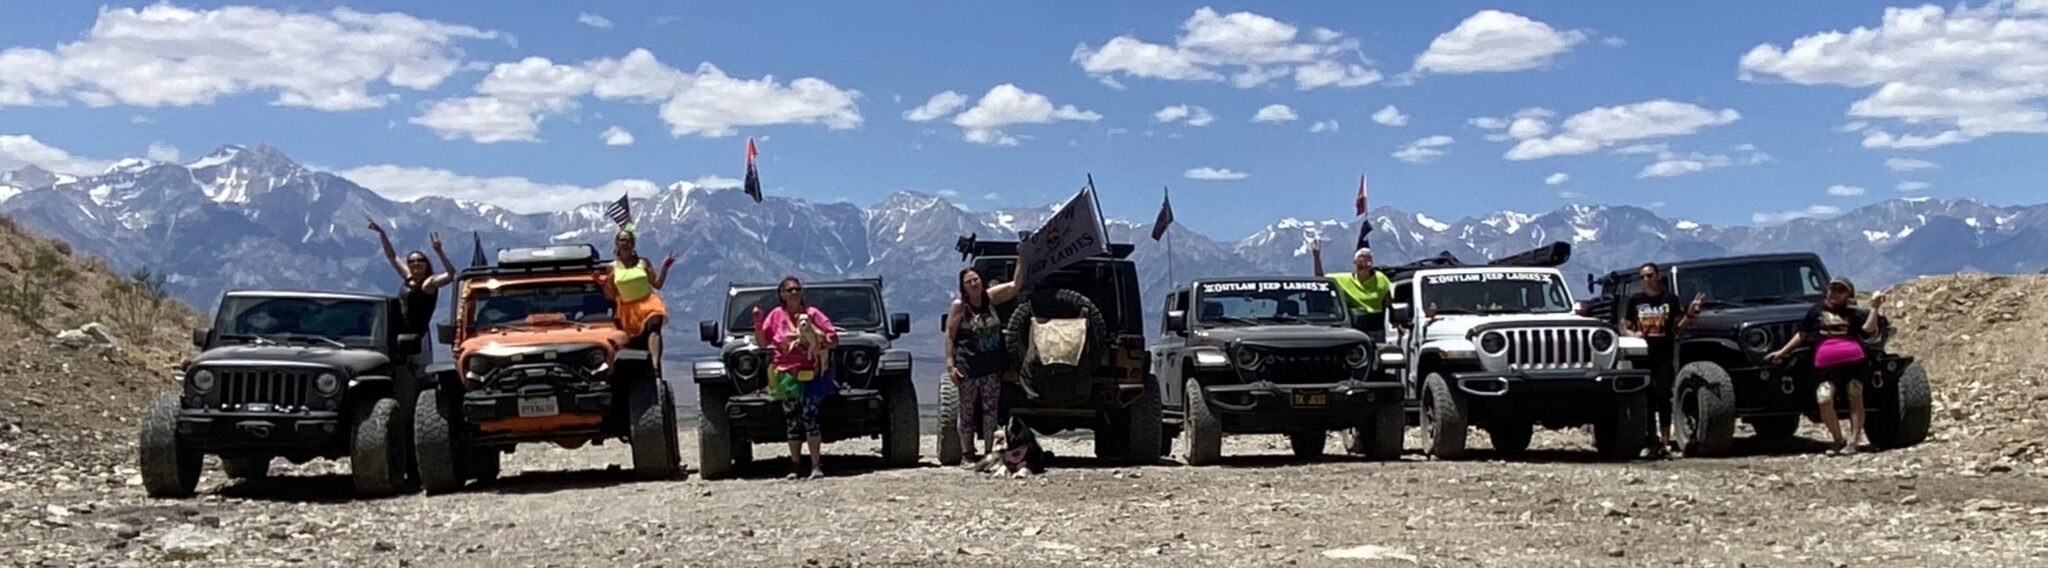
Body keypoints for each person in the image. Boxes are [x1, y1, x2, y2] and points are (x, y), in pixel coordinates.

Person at [1766, 277, 1886, 456]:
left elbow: (1868, 330)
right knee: (1824, 399)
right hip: (1825, 366)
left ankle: (1853, 441)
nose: (1834, 293)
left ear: (1848, 295)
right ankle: (1838, 439)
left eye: (1840, 291)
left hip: (1854, 363)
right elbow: (1802, 335)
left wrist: (1874, 307)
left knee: (1855, 396)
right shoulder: (1816, 311)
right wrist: (1782, 352)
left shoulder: (1853, 313)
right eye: (1832, 289)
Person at [754, 276, 838, 479]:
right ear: (782, 294)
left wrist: (819, 341)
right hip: (786, 375)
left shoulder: (813, 314)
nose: (794, 293)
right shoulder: (775, 316)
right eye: (790, 290)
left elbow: (833, 337)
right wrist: (758, 324)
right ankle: (795, 464)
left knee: (811, 417)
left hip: (811, 373)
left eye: (797, 289)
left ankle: (816, 464)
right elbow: (763, 344)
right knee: (792, 419)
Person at [1622, 262, 1705, 459]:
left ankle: (1666, 443)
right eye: (1642, 277)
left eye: (1649, 275)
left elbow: (1678, 327)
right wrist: (1632, 334)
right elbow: (1625, 326)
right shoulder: (1635, 300)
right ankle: (1650, 440)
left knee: (1663, 397)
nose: (1645, 280)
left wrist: (1691, 313)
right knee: (1646, 399)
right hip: (1642, 356)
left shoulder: (1669, 299)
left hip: (1664, 355)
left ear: (1658, 276)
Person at [944, 264, 1025, 464]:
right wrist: (950, 365)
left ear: (982, 280)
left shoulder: (990, 299)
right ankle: (967, 454)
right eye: (968, 282)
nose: (973, 283)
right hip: (967, 368)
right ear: (963, 287)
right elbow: (950, 335)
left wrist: (1022, 257)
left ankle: (989, 454)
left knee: (991, 413)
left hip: (991, 367)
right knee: (967, 412)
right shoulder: (959, 306)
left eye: (976, 279)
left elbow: (1014, 286)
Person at [368, 217, 454, 357]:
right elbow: (392, 256)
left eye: (420, 260)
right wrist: (381, 233)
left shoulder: (428, 284)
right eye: (412, 261)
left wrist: (439, 252)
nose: (416, 263)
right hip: (398, 335)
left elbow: (450, 275)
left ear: (426, 264)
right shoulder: (408, 278)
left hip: (418, 338)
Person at [602, 230, 676, 367]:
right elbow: (611, 295)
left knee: (654, 327)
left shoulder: (643, 262)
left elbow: (657, 284)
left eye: (628, 240)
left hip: (649, 303)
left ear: (633, 244)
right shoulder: (611, 268)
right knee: (635, 342)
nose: (625, 243)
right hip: (629, 310)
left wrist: (665, 268)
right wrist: (604, 285)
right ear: (616, 244)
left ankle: (655, 366)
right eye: (622, 240)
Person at [1311, 240, 1393, 339]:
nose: (1364, 265)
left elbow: (1390, 303)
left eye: (1368, 262)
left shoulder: (1381, 279)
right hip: (1355, 329)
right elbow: (1321, 280)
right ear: (1354, 263)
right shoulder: (1344, 280)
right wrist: (1316, 257)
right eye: (1360, 262)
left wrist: (1397, 322)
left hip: (1376, 329)